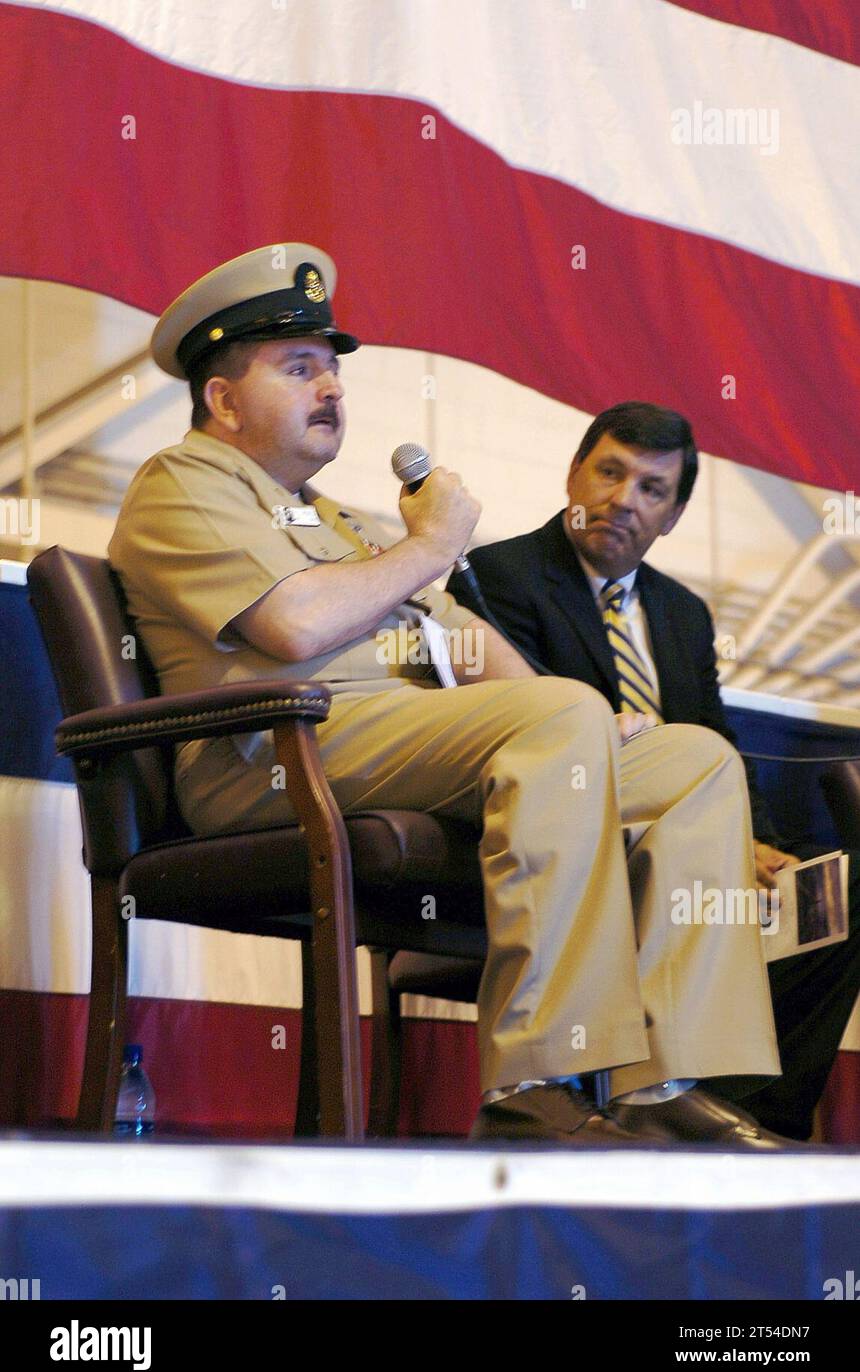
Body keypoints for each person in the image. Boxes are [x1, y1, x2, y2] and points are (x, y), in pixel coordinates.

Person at [110, 247, 789, 1149]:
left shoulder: (323, 515)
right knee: (561, 717)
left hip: (374, 744)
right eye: (299, 368)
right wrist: (431, 548)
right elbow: (296, 629)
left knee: (692, 762)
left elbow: (461, 647)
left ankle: (662, 1088)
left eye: (335, 371)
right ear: (224, 400)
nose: (332, 391)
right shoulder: (183, 482)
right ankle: (536, 1086)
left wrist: (601, 726)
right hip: (272, 755)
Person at [448, 400, 860, 1140]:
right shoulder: (498, 574)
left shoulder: (682, 614)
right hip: (576, 835)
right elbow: (519, 732)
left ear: (672, 516)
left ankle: (752, 1114)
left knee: (840, 895)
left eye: (651, 490)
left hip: (696, 838)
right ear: (575, 473)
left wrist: (758, 845)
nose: (622, 500)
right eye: (610, 472)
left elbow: (716, 743)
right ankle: (673, 1105)